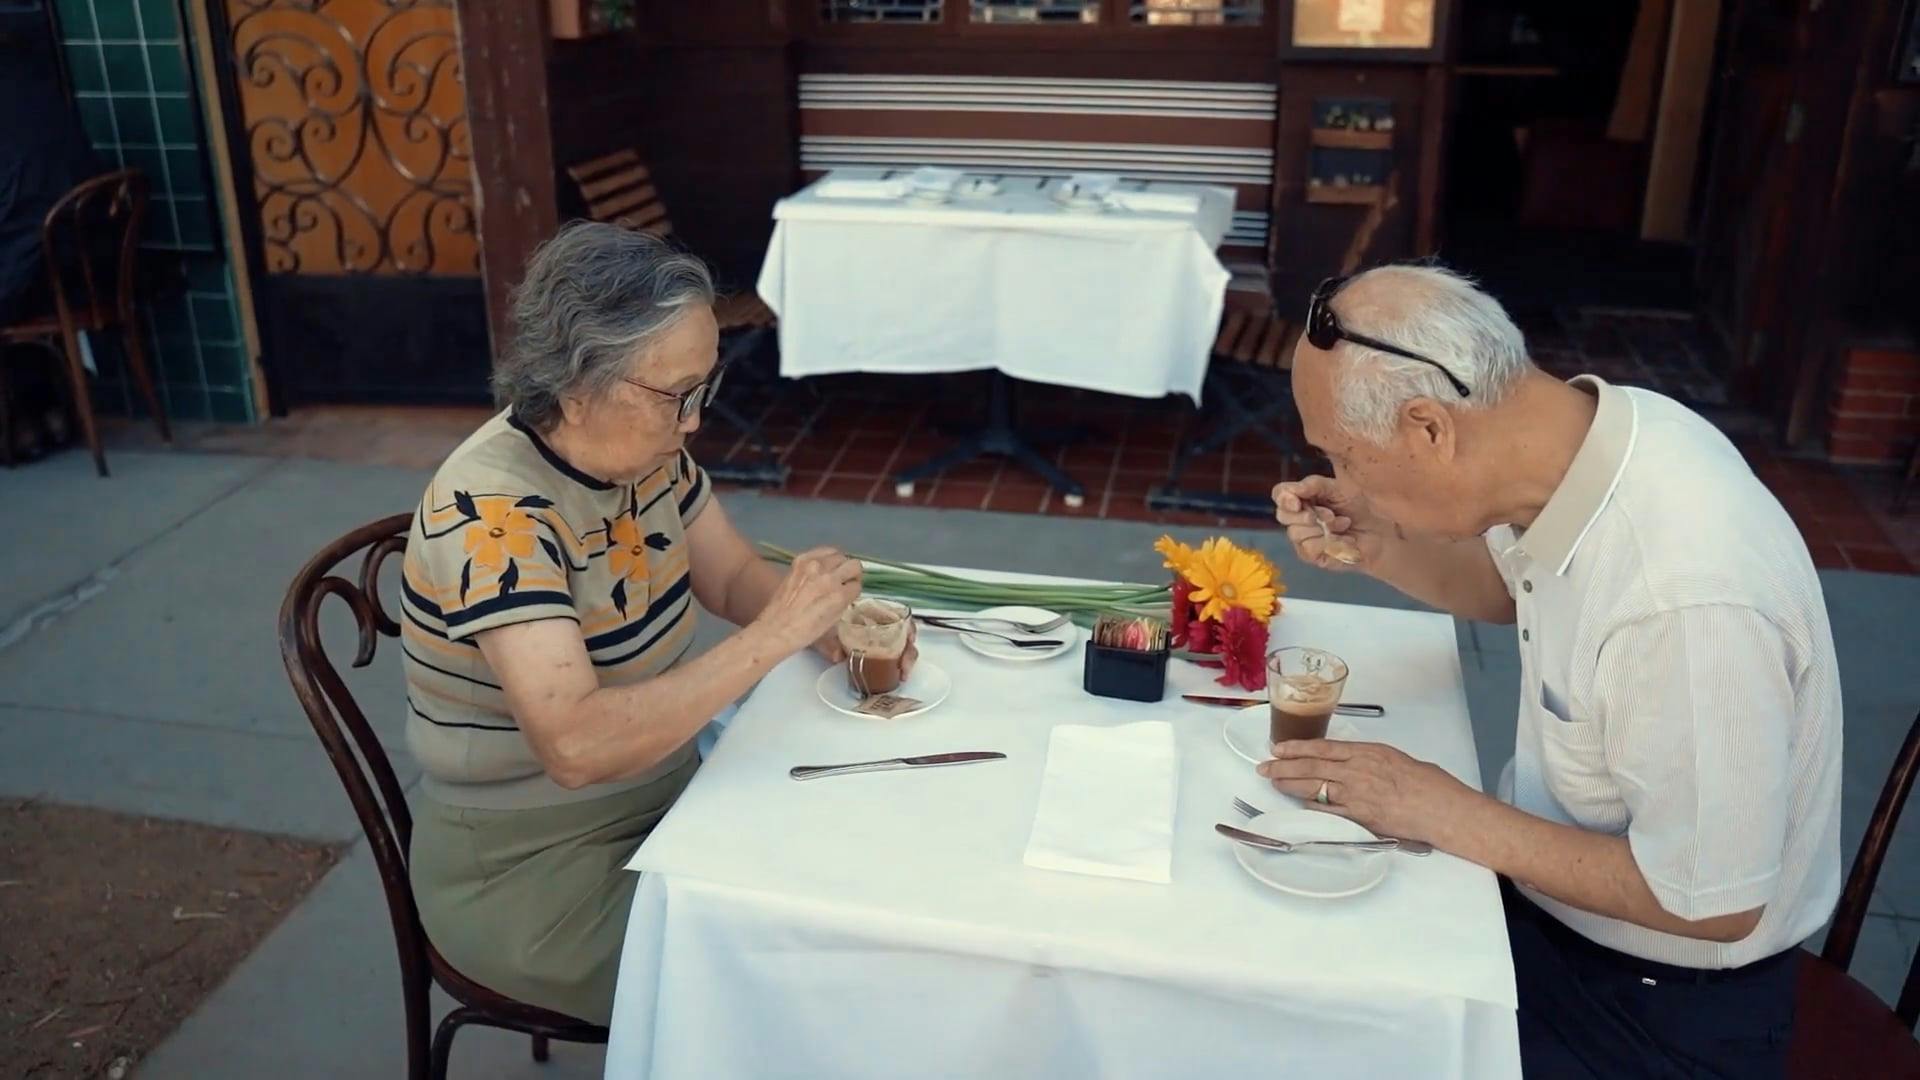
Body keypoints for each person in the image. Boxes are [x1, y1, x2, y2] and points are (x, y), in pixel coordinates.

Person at [1263, 264, 1840, 1078]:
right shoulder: (1590, 440)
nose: (1341, 478)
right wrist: (1382, 540)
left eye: (1346, 456)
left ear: (1429, 429)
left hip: (1658, 1014)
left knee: (1318, 1042)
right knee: (1306, 968)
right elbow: (1509, 591)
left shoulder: (1683, 599)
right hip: (1555, 922)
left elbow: (1710, 902)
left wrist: (1439, 809)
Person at [401, 222, 911, 1024]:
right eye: (678, 395)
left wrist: (828, 628)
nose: (695, 422)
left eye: (703, 389)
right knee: (807, 974)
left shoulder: (645, 454)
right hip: (535, 870)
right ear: (578, 385)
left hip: (672, 796)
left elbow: (732, 576)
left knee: (867, 868)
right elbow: (575, 746)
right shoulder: (492, 517)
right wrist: (774, 635)